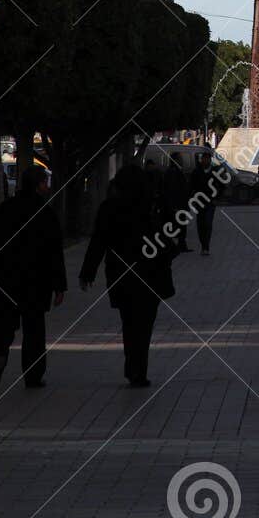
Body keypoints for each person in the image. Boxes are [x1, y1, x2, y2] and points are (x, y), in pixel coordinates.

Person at [80, 164, 176, 388]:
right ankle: (138, 369)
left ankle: (131, 365)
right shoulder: (151, 206)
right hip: (150, 274)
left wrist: (87, 272)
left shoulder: (110, 208)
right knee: (144, 324)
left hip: (120, 273)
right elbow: (169, 233)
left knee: (129, 322)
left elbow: (98, 242)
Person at [0, 166, 66, 391]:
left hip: (5, 278)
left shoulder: (4, 210)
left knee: (4, 324)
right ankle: (33, 375)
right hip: (36, 282)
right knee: (34, 328)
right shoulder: (45, 213)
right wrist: (59, 286)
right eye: (45, 182)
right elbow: (55, 251)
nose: (47, 187)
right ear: (37, 185)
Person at [188, 150, 219, 255]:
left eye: (208, 159)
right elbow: (192, 186)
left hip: (211, 201)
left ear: (210, 160)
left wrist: (216, 198)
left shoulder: (215, 171)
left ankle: (206, 247)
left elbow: (220, 186)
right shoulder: (196, 172)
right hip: (199, 202)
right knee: (200, 224)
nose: (206, 161)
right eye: (204, 159)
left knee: (208, 223)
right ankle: (203, 245)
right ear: (202, 160)